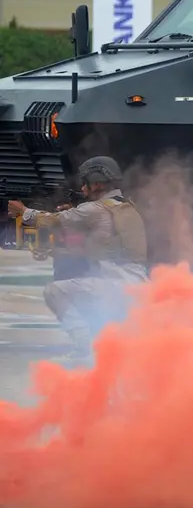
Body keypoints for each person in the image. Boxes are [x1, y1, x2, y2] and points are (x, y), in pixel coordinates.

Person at [6, 156, 148, 364]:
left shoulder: (94, 209)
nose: (83, 188)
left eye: (86, 183)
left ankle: (83, 347)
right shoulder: (126, 206)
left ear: (97, 183)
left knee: (54, 291)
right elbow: (101, 248)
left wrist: (23, 211)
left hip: (117, 286)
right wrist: (54, 250)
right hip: (138, 285)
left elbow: (52, 220)